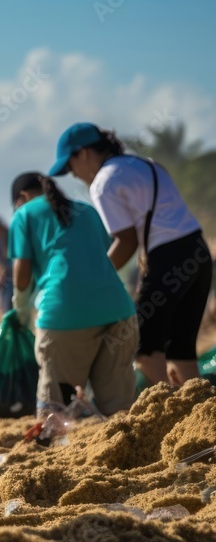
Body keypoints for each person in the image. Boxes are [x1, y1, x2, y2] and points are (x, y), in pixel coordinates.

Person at [48, 123, 212, 386]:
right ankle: (200, 411)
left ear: (84, 153)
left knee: (142, 347)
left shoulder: (104, 182)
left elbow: (126, 241)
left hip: (169, 258)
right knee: (180, 346)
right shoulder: (146, 164)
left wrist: (95, 279)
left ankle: (176, 411)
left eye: (70, 167)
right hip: (198, 253)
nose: (74, 176)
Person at [9, 172, 138, 417]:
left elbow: (21, 272)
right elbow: (102, 256)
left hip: (64, 320)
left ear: (21, 198)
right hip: (119, 313)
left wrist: (21, 309)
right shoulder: (87, 210)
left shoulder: (23, 215)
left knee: (55, 413)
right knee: (120, 411)